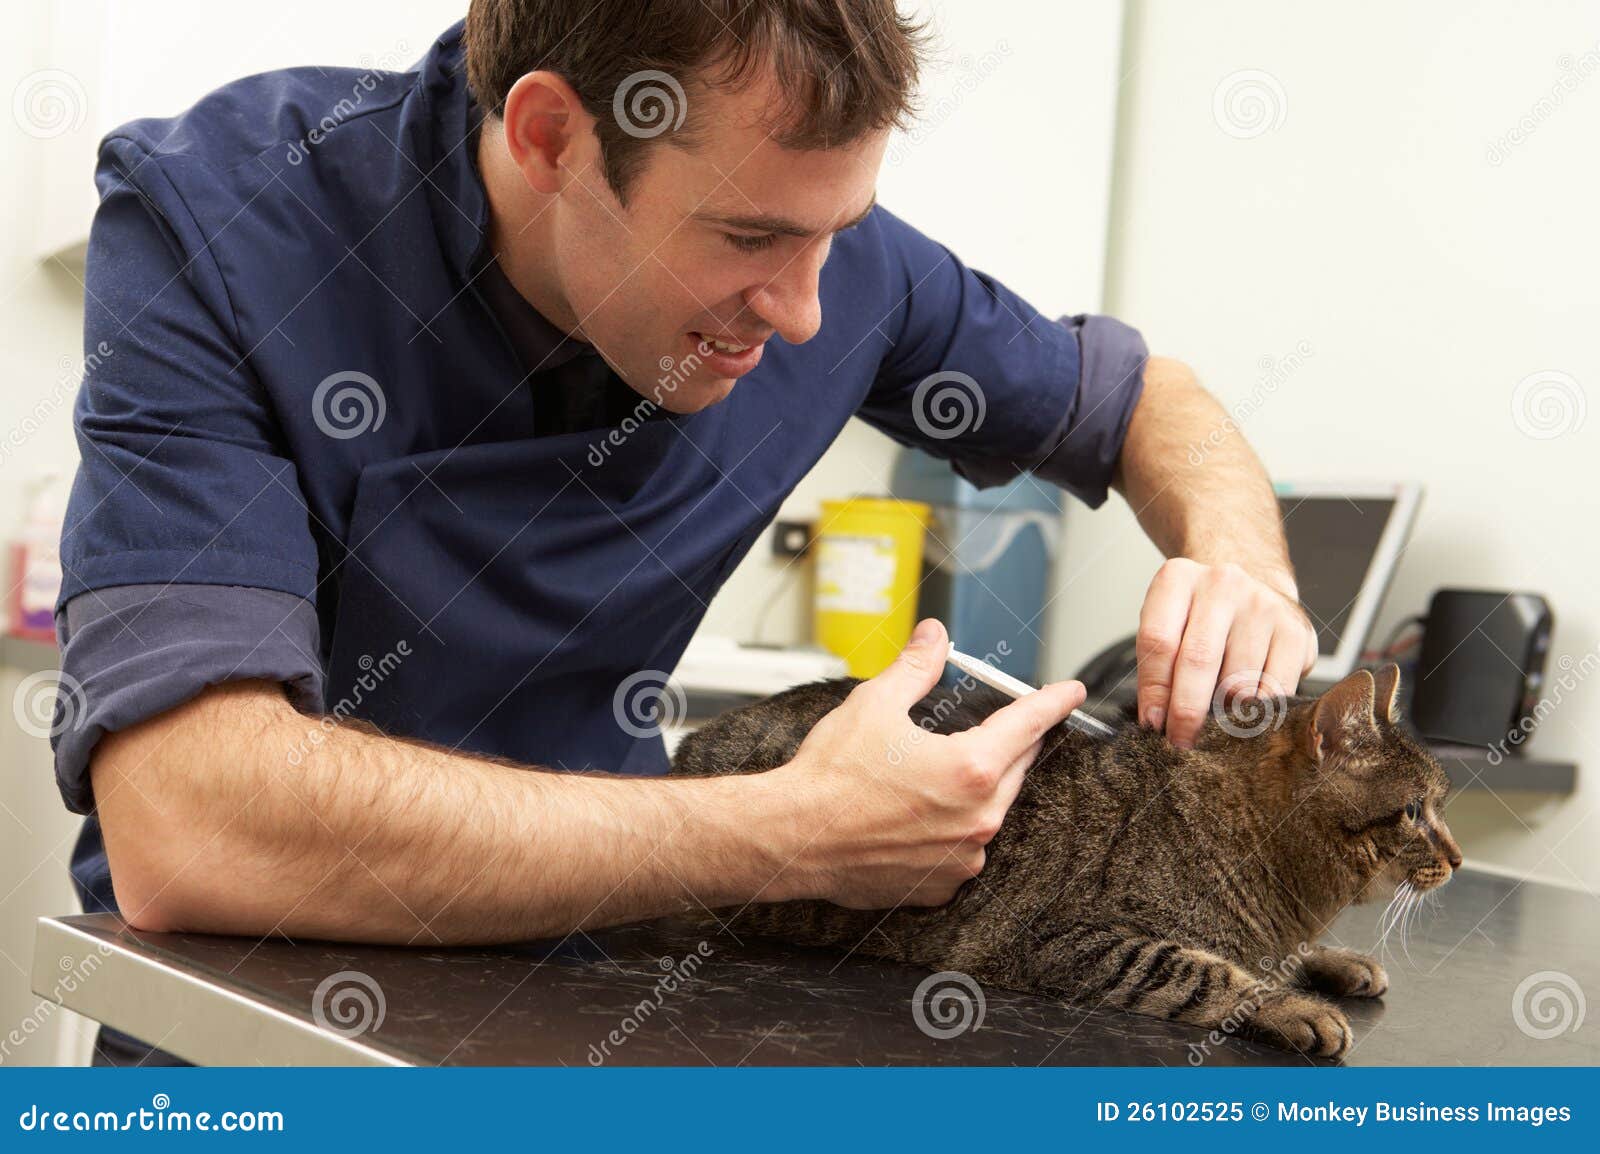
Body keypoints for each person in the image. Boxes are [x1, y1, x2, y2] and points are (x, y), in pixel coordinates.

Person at [53, 2, 1315, 1063]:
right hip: (242, 1034)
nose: (811, 312)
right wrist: (793, 828)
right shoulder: (226, 221)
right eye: (751, 237)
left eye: (835, 231)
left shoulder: (835, 268)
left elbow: (1151, 401)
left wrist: (1238, 557)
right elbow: (192, 824)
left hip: (600, 1001)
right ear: (552, 137)